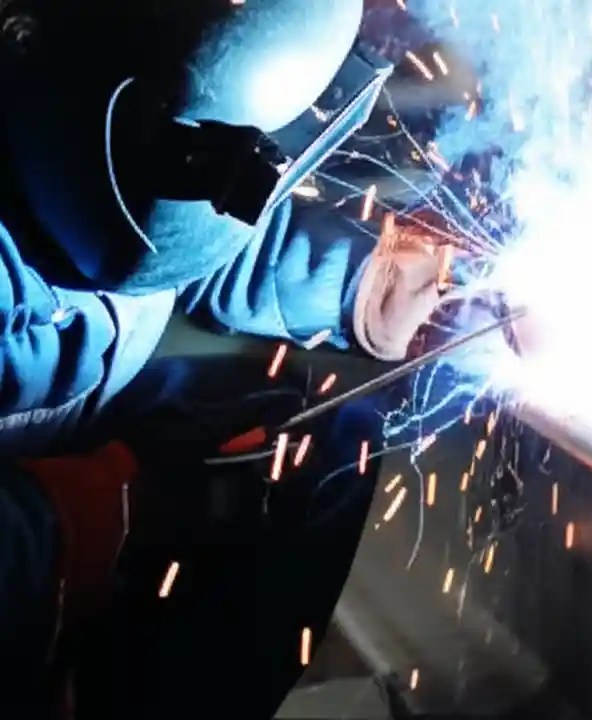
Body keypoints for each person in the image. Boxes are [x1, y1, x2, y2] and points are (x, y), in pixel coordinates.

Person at [0, 0, 449, 716]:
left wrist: (359, 286)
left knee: (319, 450)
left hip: (66, 425)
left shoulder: (127, 129)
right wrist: (58, 526)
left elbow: (179, 245)